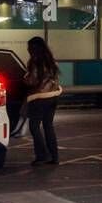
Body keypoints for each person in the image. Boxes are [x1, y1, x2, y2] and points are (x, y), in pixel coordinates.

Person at [23, 36, 63, 166]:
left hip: (39, 98)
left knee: (34, 126)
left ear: (33, 49)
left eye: (29, 47)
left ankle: (43, 155)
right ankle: (54, 157)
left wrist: (24, 77)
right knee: (48, 126)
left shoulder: (35, 62)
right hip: (54, 96)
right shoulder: (52, 60)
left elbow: (32, 80)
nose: (28, 49)